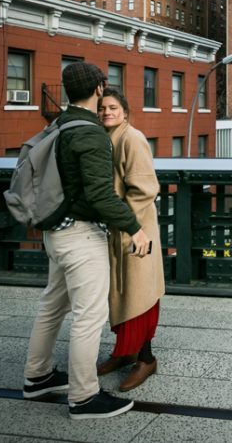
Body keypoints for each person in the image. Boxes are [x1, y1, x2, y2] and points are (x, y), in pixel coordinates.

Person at [23, 62, 152, 420]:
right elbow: (99, 194)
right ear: (99, 88)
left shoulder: (60, 124)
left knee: (52, 306)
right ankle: (84, 397)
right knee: (88, 317)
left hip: (56, 232)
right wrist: (134, 227)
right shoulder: (91, 132)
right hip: (80, 235)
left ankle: (38, 376)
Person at [96, 88, 165, 391]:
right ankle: (124, 352)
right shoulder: (107, 138)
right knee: (120, 292)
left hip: (136, 230)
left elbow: (145, 188)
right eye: (101, 108)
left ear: (124, 111)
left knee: (139, 294)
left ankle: (146, 359)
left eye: (112, 107)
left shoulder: (132, 138)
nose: (106, 112)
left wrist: (125, 221)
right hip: (118, 228)